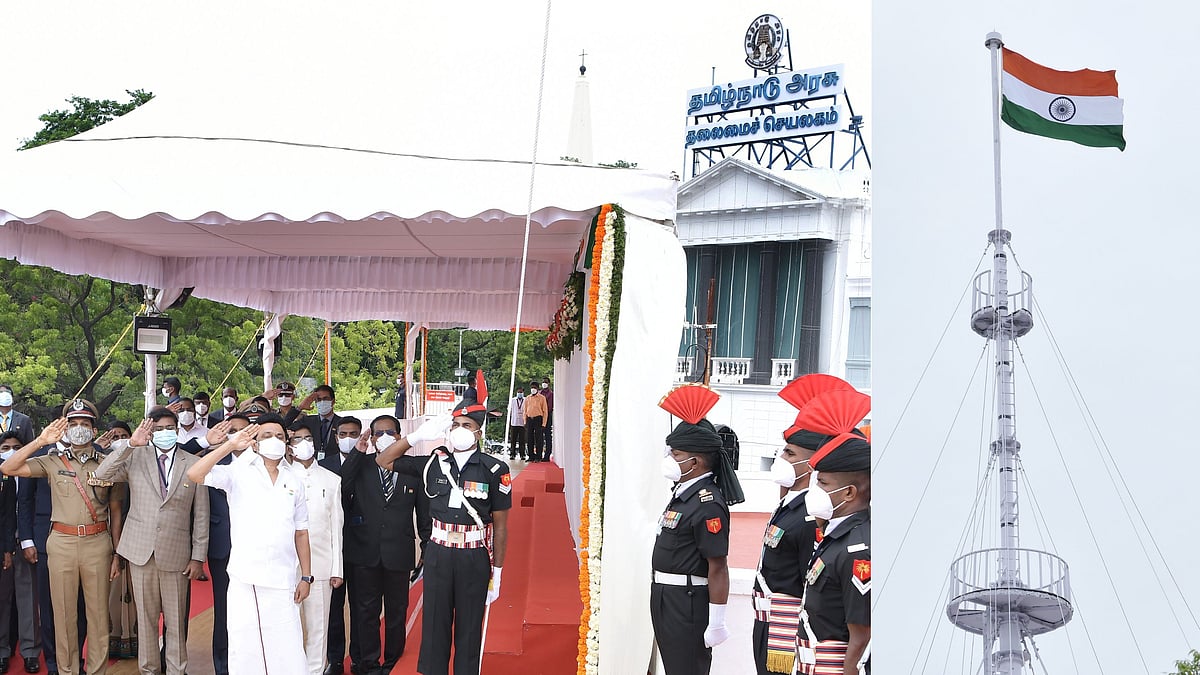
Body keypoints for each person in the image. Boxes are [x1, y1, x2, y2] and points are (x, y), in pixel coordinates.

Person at [376, 396, 511, 675]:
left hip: (474, 554)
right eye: (456, 424)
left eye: (467, 424)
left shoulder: (494, 469)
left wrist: (497, 572)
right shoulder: (432, 463)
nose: (460, 429)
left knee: (469, 625)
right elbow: (384, 459)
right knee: (435, 624)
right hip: (438, 553)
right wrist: (415, 437)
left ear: (479, 432)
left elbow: (501, 525)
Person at [1, 400, 122, 675]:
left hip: (98, 543)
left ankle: (96, 671)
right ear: (65, 428)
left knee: (98, 618)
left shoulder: (107, 462)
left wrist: (117, 553)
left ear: (94, 429)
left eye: (85, 424)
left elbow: (116, 510)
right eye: (74, 424)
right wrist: (40, 440)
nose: (79, 429)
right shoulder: (52, 459)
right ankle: (67, 671)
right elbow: (9, 468)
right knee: (63, 616)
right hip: (62, 543)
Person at [186, 413, 311, 673]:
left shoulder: (294, 481)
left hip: (284, 579)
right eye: (266, 436)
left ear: (287, 442)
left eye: (279, 436)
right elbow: (195, 473)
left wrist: (306, 577)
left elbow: (301, 532)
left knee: (287, 647)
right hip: (247, 578)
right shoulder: (238, 473)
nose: (273, 441)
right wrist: (230, 445)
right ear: (254, 442)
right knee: (247, 648)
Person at [93, 408, 209, 675]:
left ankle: (176, 670)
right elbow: (102, 473)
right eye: (158, 429)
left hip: (177, 554)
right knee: (145, 620)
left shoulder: (193, 462)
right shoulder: (136, 456)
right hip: (140, 551)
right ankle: (148, 670)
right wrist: (132, 444)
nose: (164, 433)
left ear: (177, 430)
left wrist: (198, 556)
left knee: (176, 621)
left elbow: (201, 514)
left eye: (169, 428)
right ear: (149, 431)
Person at [651, 384, 745, 675]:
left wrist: (717, 619)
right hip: (666, 595)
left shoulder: (708, 503)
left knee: (687, 669)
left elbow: (718, 565)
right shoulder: (684, 493)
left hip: (688, 602)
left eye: (676, 454)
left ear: (696, 460)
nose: (671, 459)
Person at [789, 390, 871, 675]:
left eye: (822, 483)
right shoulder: (835, 538)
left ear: (848, 492)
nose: (814, 491)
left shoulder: (859, 549)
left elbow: (861, 639)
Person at [342, 415, 428, 675]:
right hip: (364, 551)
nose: (384, 437)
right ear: (372, 437)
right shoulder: (362, 464)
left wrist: (426, 547)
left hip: (399, 553)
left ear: (400, 436)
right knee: (366, 611)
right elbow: (342, 486)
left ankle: (393, 661)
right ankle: (368, 663)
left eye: (389, 432)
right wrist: (358, 452)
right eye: (378, 433)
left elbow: (423, 513)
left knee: (397, 611)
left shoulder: (412, 468)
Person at [286, 423, 345, 675]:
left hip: (321, 566)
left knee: (319, 629)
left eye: (308, 438)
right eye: (297, 439)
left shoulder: (332, 480)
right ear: (289, 446)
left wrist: (337, 569)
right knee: (287, 629)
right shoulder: (280, 476)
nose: (304, 443)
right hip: (285, 567)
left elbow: (336, 527)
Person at [319, 417, 363, 675]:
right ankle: (335, 660)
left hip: (360, 547)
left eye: (354, 433)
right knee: (333, 609)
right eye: (344, 433)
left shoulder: (369, 463)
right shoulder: (323, 466)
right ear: (336, 437)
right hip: (331, 549)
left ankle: (358, 658)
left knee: (359, 607)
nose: (348, 438)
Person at [1, 431, 41, 675]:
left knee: (28, 600)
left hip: (27, 544)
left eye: (17, 446)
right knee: (2, 602)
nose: (12, 450)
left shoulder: (31, 471)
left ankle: (30, 652)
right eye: (6, 447)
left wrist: (28, 540)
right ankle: (3, 652)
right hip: (3, 546)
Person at [295, 386, 344, 460]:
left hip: (334, 466)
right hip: (312, 464)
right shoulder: (307, 421)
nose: (322, 402)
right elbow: (285, 426)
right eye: (319, 400)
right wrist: (299, 408)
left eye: (325, 399)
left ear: (333, 401)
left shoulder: (342, 423)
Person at [523, 381, 547, 463]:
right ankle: (530, 456)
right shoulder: (527, 398)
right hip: (529, 419)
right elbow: (525, 411)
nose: (533, 389)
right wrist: (525, 421)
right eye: (532, 387)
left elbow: (545, 411)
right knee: (529, 438)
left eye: (534, 387)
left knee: (538, 438)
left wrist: (544, 423)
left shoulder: (542, 398)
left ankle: (538, 456)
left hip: (538, 419)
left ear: (537, 388)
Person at [506, 388, 525, 461]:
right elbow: (509, 410)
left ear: (523, 392)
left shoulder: (526, 400)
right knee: (513, 440)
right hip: (514, 423)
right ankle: (512, 454)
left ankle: (522, 455)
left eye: (521, 392)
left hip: (522, 423)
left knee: (522, 440)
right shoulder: (513, 400)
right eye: (518, 392)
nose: (519, 393)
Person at [539, 379, 554, 458]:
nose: (544, 383)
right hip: (539, 416)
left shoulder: (551, 394)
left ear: (548, 383)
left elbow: (550, 407)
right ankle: (539, 454)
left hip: (547, 416)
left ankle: (547, 455)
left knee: (547, 435)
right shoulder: (539, 393)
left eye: (546, 382)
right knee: (539, 436)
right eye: (543, 382)